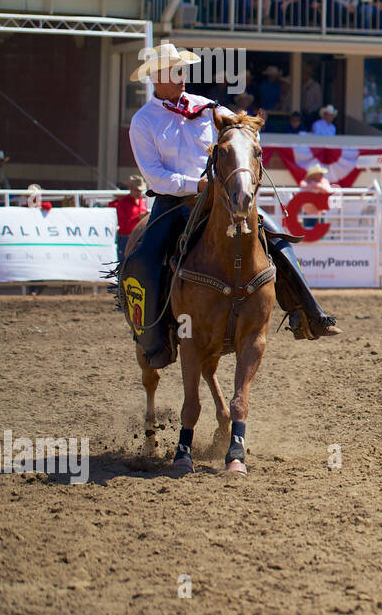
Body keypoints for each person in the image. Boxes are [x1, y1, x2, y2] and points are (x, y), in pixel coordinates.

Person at [121, 43, 341, 370]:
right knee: (143, 259)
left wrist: (237, 171)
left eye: (182, 69)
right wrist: (197, 185)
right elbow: (155, 176)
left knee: (276, 239)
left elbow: (245, 133)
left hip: (222, 196)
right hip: (174, 201)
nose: (182, 76)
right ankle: (157, 339)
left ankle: (307, 312)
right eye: (174, 70)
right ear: (155, 77)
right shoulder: (143, 121)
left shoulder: (208, 107)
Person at [110, 175, 149, 263]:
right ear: (130, 188)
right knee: (124, 265)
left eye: (140, 191)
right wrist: (138, 218)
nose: (139, 193)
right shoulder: (123, 203)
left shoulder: (142, 202)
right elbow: (123, 225)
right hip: (126, 238)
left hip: (139, 239)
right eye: (137, 190)